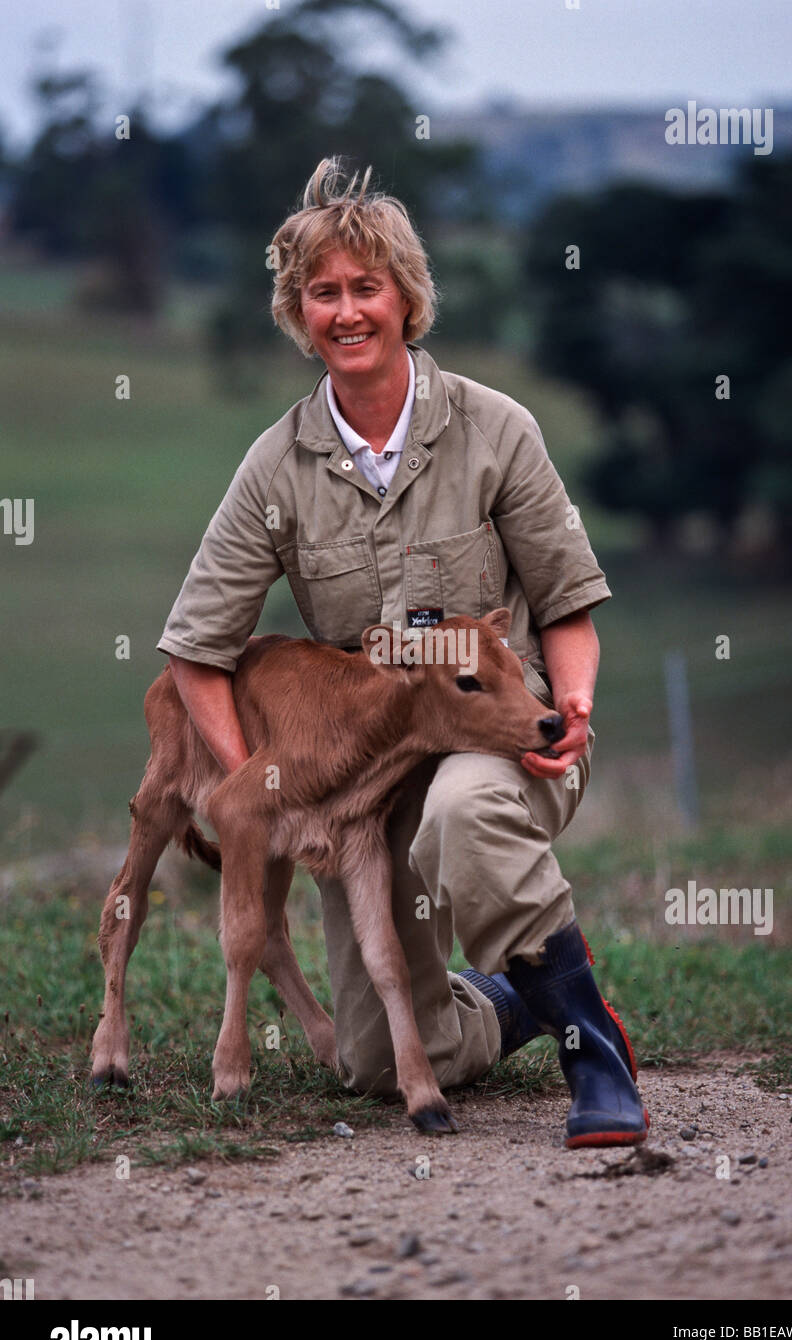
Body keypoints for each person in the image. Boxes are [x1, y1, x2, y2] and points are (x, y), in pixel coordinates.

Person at [157, 156, 648, 1147]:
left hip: (499, 732)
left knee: (466, 805)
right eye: (323, 292)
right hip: (364, 780)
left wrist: (577, 706)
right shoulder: (275, 465)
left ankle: (594, 1048)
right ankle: (511, 1004)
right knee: (373, 1061)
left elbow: (566, 603)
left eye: (365, 288)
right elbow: (197, 652)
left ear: (405, 297)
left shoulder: (496, 428)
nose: (346, 311)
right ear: (299, 311)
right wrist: (261, 780)